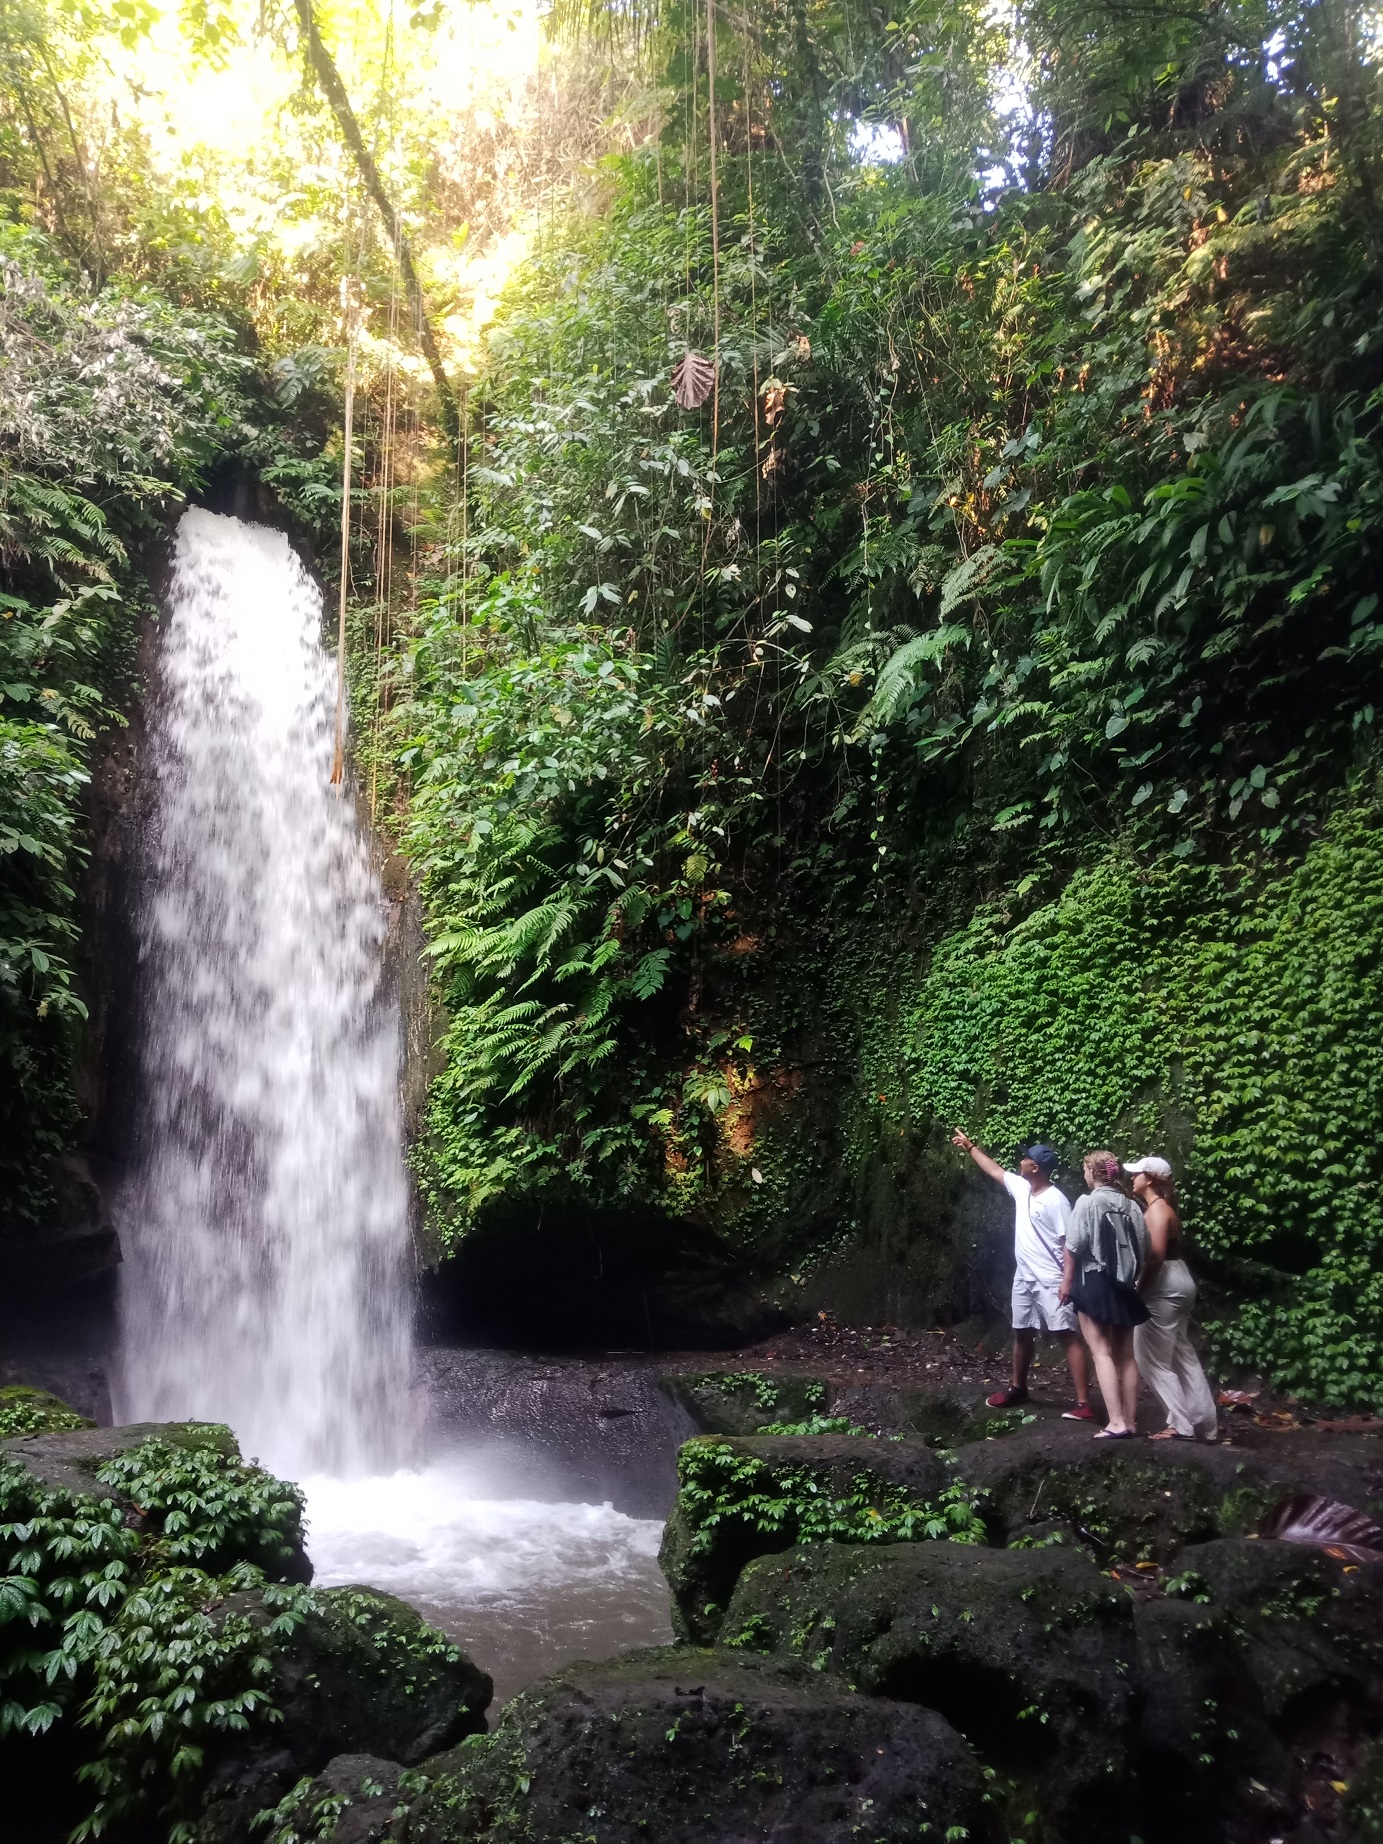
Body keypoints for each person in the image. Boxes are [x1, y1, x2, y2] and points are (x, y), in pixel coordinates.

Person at [951, 1130, 1093, 1419]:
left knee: (1066, 1334)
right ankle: (1019, 1388)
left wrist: (1067, 1280)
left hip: (1051, 1278)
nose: (1021, 1160)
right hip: (1024, 1276)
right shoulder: (1022, 1187)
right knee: (1021, 1331)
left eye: (1026, 1158)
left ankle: (1083, 1404)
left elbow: (1071, 1244)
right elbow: (995, 1171)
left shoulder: (1056, 1201)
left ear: (1036, 1167)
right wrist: (970, 1147)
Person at [1126, 1156, 1218, 1441]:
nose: (1132, 1178)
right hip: (1179, 1282)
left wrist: (1138, 1291)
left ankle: (1181, 1424)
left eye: (1137, 1174)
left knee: (1151, 1359)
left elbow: (1155, 1258)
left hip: (1163, 1286)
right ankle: (1205, 1423)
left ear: (1150, 1179)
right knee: (1182, 1355)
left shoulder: (1156, 1211)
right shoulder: (1164, 1208)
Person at [1059, 1151, 1151, 1438]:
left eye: (1086, 1169)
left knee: (1101, 1352)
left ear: (1094, 1173)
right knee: (1126, 1355)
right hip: (1125, 1285)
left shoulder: (1088, 1203)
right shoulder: (1132, 1206)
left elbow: (1073, 1247)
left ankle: (1115, 1422)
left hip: (1094, 1282)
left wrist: (1066, 1283)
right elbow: (1144, 1248)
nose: (1084, 1174)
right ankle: (1131, 1422)